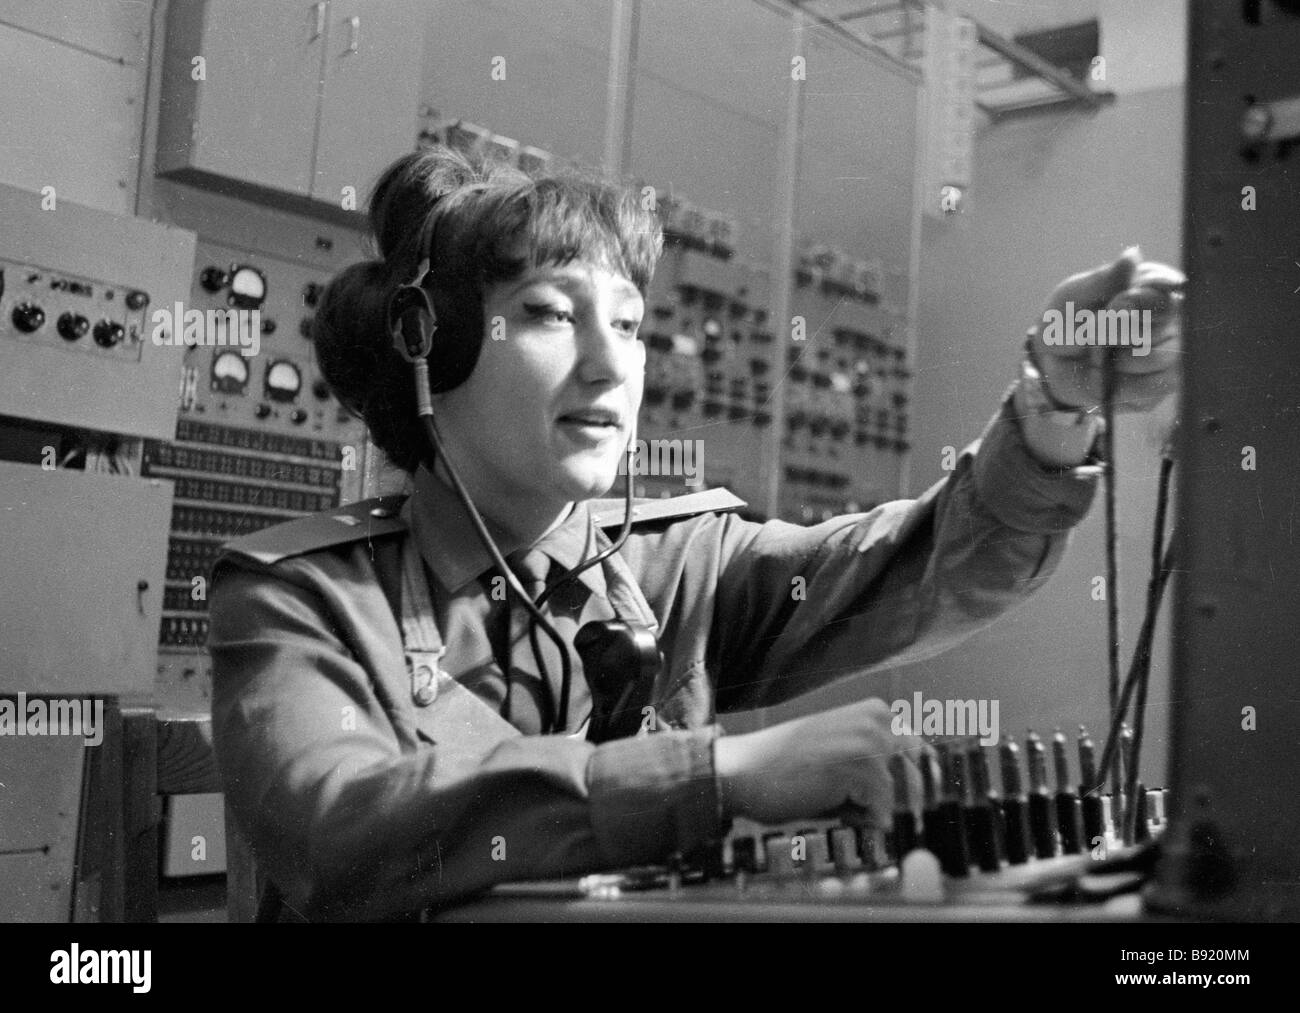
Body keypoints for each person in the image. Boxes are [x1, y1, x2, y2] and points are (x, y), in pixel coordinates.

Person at [207, 146, 1182, 921]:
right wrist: (718, 772)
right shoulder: (303, 597)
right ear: (432, 346)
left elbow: (928, 567)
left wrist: (1055, 402)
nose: (609, 365)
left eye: (629, 324)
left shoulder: (677, 566)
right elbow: (336, 830)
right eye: (549, 314)